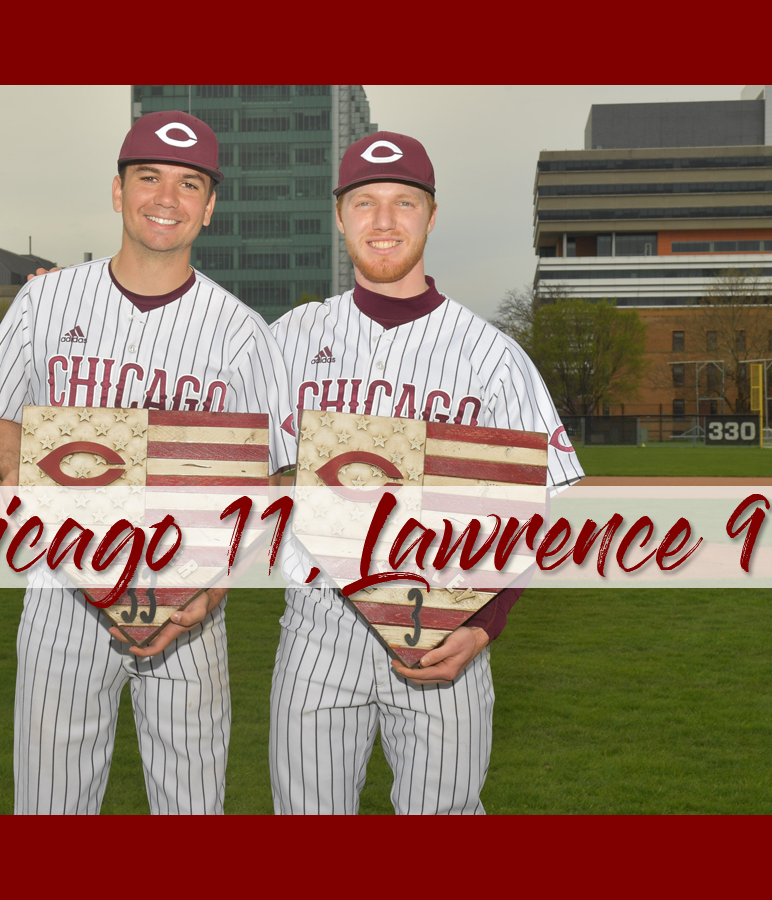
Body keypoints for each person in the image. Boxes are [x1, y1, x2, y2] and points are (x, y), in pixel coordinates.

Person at [0, 110, 294, 814]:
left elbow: (273, 478)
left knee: (192, 807)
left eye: (188, 183)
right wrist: (16, 463)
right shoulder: (45, 301)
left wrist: (220, 580)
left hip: (189, 603)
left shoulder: (243, 332)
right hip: (60, 593)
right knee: (50, 804)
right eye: (148, 177)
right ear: (118, 192)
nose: (166, 198)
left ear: (209, 206)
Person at [266, 132, 584, 814]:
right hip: (319, 628)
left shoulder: (491, 356)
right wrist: (77, 308)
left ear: (432, 216)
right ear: (341, 216)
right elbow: (195, 423)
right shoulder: (288, 340)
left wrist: (485, 621)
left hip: (449, 626)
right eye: (365, 201)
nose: (384, 221)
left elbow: (536, 509)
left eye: (404, 202)